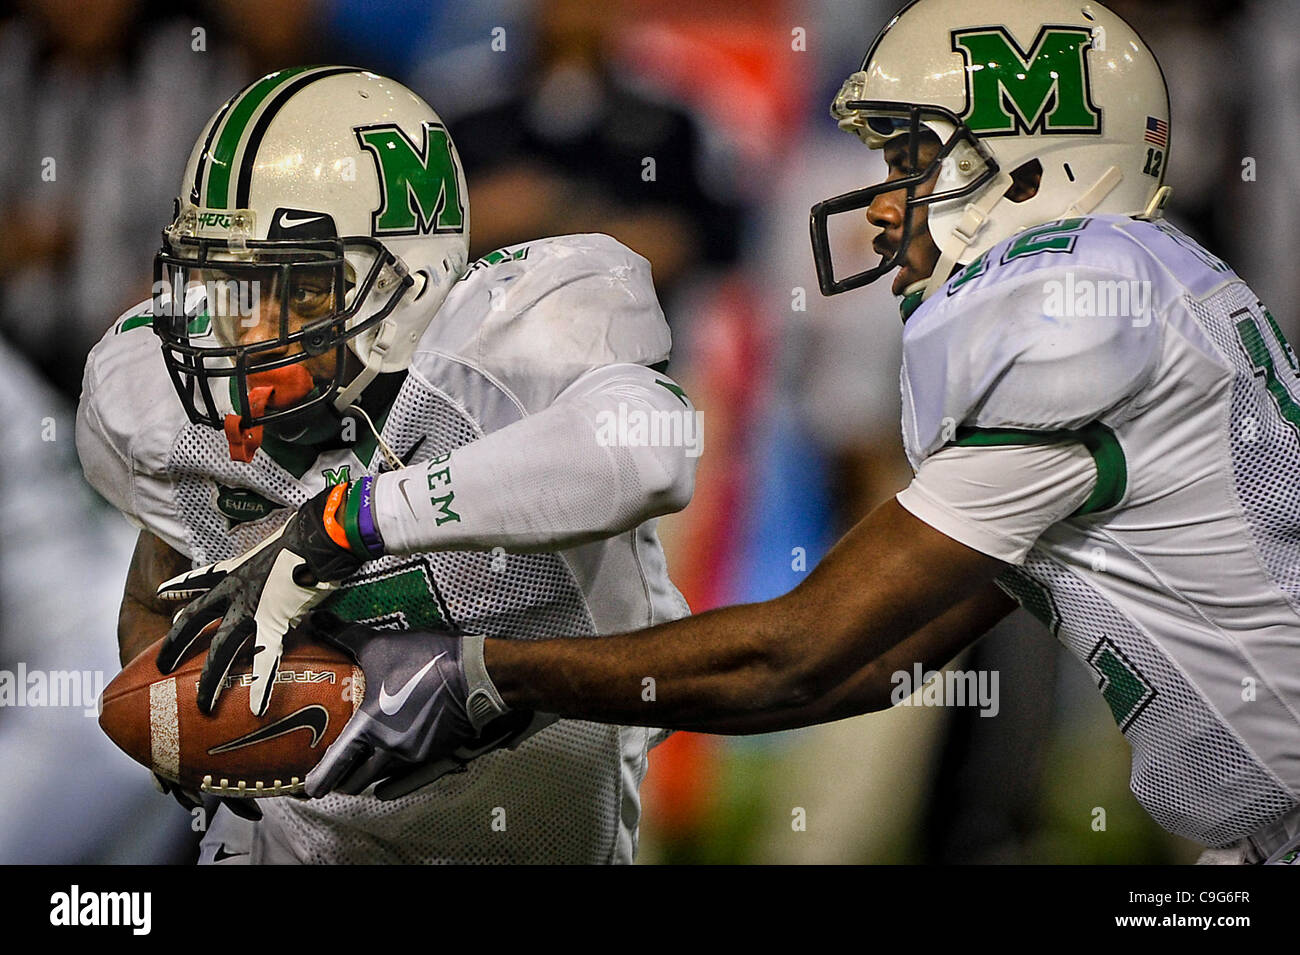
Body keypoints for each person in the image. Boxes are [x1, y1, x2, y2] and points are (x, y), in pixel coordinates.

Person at [146, 0, 1300, 865]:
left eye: (913, 158)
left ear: (1034, 166)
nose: (884, 198)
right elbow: (860, 660)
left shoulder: (1071, 306)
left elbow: (796, 647)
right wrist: (507, 683)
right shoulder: (1142, 284)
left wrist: (484, 676)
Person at [75, 67, 697, 863]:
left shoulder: (500, 358)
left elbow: (653, 447)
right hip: (291, 841)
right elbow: (157, 585)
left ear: (414, 280)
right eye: (228, 290)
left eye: (293, 293)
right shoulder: (157, 403)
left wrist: (357, 519)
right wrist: (179, 711)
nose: (243, 336)